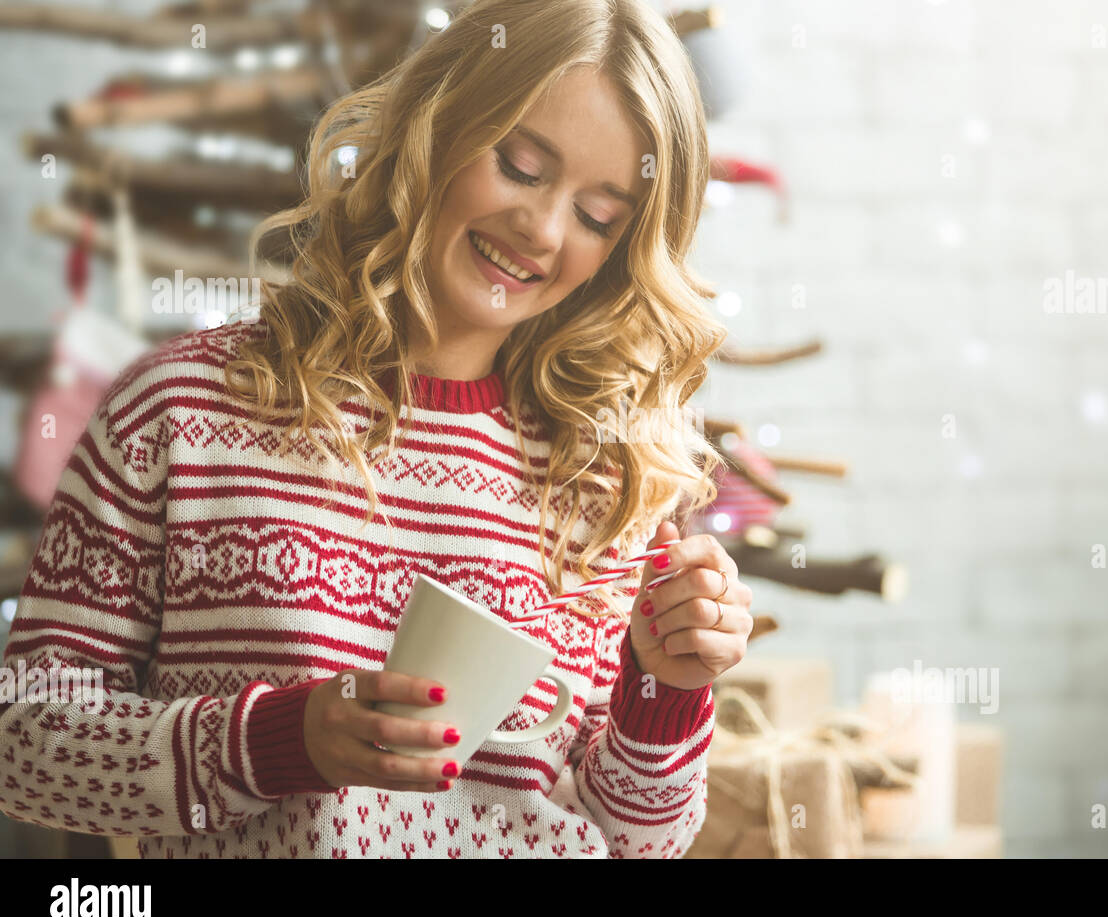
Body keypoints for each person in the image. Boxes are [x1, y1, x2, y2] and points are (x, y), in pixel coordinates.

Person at [0, 0, 754, 858]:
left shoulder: (605, 477)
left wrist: (664, 690)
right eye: (520, 166)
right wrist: (277, 742)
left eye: (597, 218)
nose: (542, 229)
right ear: (437, 124)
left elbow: (635, 841)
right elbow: (24, 745)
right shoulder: (181, 412)